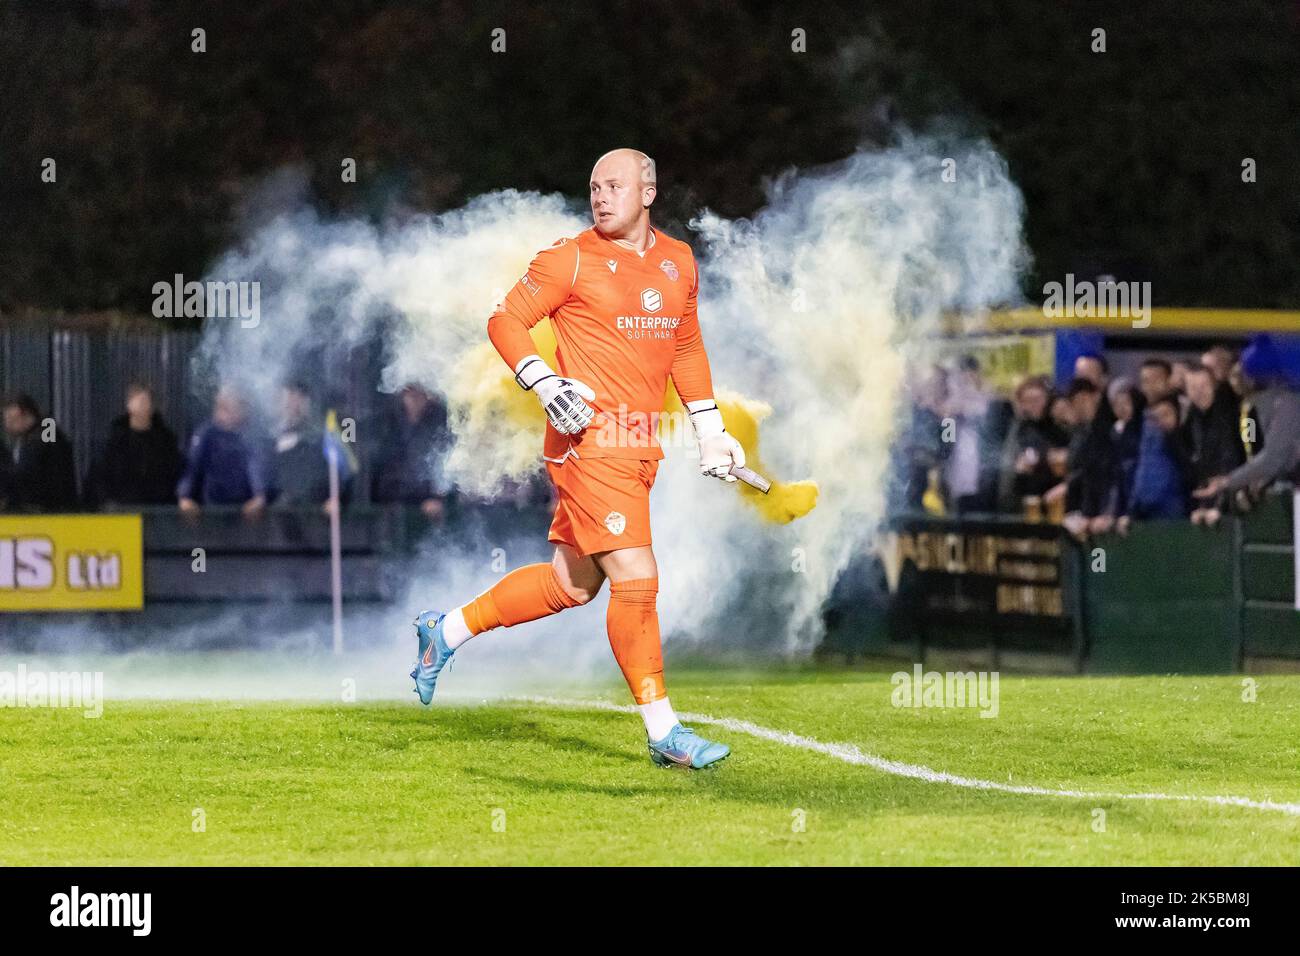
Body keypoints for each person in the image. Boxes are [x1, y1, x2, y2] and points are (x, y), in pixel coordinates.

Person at [408, 148, 739, 769]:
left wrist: (710, 427)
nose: (600, 195)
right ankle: (665, 732)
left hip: (639, 445)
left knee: (572, 584)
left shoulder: (678, 262)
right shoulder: (571, 257)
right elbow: (505, 319)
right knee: (637, 576)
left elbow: (687, 347)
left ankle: (444, 631)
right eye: (593, 186)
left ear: (648, 191)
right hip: (587, 442)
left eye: (613, 185)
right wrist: (542, 380)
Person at [1194, 335, 1300, 506]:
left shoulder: (1284, 402)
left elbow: (1273, 456)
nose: (1235, 379)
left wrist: (1229, 481)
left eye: (1240, 373)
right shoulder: (1249, 407)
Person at [176, 385, 271, 517]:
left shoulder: (250, 435)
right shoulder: (206, 433)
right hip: (210, 510)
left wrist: (259, 495)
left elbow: (255, 465)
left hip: (243, 511)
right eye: (222, 406)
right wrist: (185, 497)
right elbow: (192, 467)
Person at [85, 383, 183, 508]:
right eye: (139, 401)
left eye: (146, 402)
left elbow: (174, 476)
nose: (143, 407)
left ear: (153, 407)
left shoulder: (166, 441)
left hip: (157, 514)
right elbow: (98, 478)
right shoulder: (113, 441)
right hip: (121, 514)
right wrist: (108, 503)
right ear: (129, 405)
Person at [370, 384, 452, 520]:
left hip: (429, 510)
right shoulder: (386, 422)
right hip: (389, 506)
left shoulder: (441, 422)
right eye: (410, 393)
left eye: (419, 394)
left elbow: (448, 465)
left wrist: (436, 498)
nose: (415, 399)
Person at [1181, 364, 1245, 524]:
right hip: (1209, 498)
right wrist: (1202, 505)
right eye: (1193, 387)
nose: (1199, 392)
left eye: (1204, 385)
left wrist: (1219, 505)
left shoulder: (1230, 414)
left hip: (1234, 497)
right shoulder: (1192, 419)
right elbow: (1198, 463)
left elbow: (1231, 458)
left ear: (1214, 386)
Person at [995, 376, 1066, 513]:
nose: (1034, 405)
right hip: (1018, 499)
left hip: (1051, 500)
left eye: (1038, 400)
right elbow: (946, 449)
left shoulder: (1058, 426)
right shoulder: (950, 420)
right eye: (1028, 401)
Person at [0, 393, 78, 512]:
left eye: (11, 420)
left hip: (51, 509)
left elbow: (29, 471)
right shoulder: (25, 440)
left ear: (23, 414)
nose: (7, 425)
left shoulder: (47, 430)